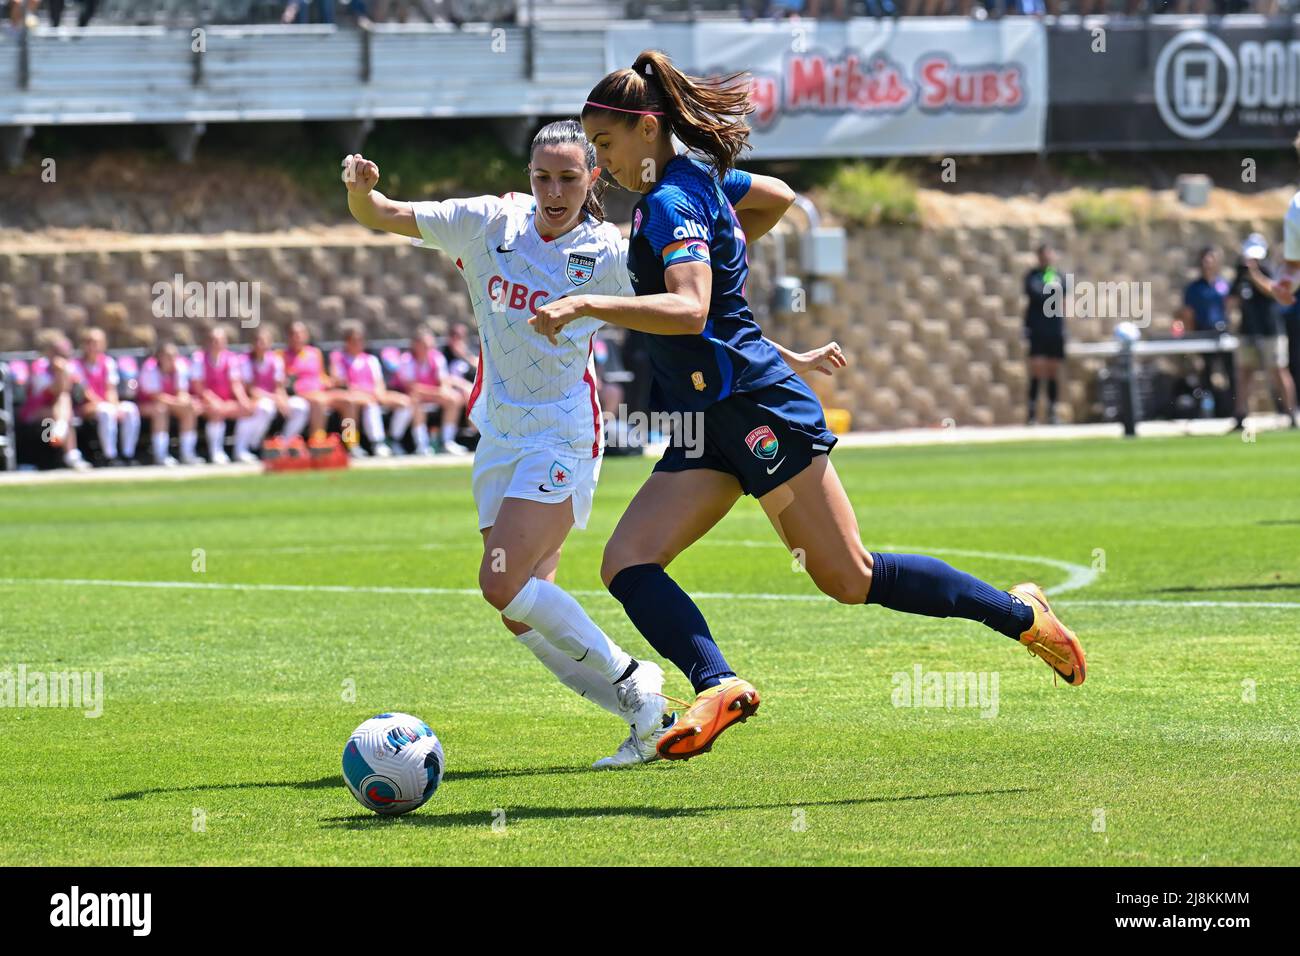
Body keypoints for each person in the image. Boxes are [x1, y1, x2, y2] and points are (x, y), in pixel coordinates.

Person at [529, 50, 1087, 764]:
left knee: (850, 578)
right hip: (711, 422)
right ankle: (718, 683)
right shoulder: (698, 178)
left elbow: (693, 309)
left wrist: (588, 303)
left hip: (756, 411)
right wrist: (731, 272)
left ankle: (1022, 616)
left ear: (645, 128)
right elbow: (779, 196)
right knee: (628, 561)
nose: (599, 164)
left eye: (604, 145)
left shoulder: (669, 199)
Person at [341, 121, 672, 767]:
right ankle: (648, 724)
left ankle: (637, 682)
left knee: (500, 582)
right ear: (528, 177)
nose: (554, 191)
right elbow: (378, 213)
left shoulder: (609, 251)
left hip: (563, 431)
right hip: (499, 433)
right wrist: (361, 188)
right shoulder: (488, 223)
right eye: (543, 176)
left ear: (593, 178)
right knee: (520, 612)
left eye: (569, 177)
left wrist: (776, 355)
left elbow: (687, 313)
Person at [1234, 235, 1298, 430]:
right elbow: (1232, 299)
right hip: (1248, 330)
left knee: (1278, 371)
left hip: (1271, 329)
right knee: (1245, 372)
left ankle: (1290, 413)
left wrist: (1254, 273)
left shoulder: (1269, 270)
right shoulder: (1239, 274)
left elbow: (1272, 290)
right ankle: (1240, 415)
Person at [329, 321, 412, 458]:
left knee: (406, 402)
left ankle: (394, 439)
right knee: (369, 405)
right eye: (354, 340)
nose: (358, 343)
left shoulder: (371, 360)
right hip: (351, 396)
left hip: (372, 394)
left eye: (360, 340)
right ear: (347, 342)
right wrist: (365, 394)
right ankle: (357, 444)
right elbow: (339, 381)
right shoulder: (338, 358)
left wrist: (379, 393)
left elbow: (379, 383)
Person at [17, 330, 90, 471]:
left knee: (64, 400)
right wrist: (61, 375)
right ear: (50, 352)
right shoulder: (40, 367)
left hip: (57, 413)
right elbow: (51, 392)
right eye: (59, 353)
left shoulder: (71, 367)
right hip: (35, 410)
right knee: (62, 404)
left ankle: (60, 432)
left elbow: (79, 391)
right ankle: (71, 453)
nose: (63, 357)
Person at [393, 326, 469, 456]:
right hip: (410, 397)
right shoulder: (407, 360)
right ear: (416, 345)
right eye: (424, 345)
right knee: (415, 401)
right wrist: (438, 392)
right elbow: (412, 388)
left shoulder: (436, 357)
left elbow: (444, 382)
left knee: (454, 398)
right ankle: (421, 444)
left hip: (430, 394)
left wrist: (443, 391)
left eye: (430, 345)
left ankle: (447, 441)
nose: (428, 348)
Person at [191, 325, 260, 464]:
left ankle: (241, 450)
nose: (216, 344)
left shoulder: (231, 359)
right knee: (216, 411)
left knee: (246, 409)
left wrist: (243, 400)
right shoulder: (198, 358)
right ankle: (216, 451)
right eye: (213, 340)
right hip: (204, 402)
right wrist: (213, 400)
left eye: (220, 340)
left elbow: (236, 383)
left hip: (225, 402)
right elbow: (198, 386)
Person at [74, 327, 141, 466]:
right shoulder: (76, 365)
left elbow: (111, 389)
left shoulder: (108, 362)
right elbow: (85, 393)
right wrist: (108, 406)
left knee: (130, 409)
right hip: (85, 407)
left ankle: (128, 454)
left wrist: (116, 405)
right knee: (106, 411)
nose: (94, 346)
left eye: (97, 342)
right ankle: (110, 456)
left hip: (105, 404)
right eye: (90, 342)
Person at [242, 325, 312, 450]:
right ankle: (254, 445)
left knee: (301, 407)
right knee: (265, 408)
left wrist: (283, 400)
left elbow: (279, 386)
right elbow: (250, 389)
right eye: (258, 341)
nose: (260, 344)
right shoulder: (245, 360)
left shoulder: (275, 359)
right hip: (257, 400)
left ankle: (284, 444)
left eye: (264, 341)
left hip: (274, 398)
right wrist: (274, 398)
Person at [137, 342, 200, 466]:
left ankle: (187, 454)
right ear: (159, 356)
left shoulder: (180, 367)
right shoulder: (150, 368)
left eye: (173, 355)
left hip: (169, 404)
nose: (172, 359)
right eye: (168, 356)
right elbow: (156, 397)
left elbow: (182, 392)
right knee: (161, 410)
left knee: (189, 409)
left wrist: (186, 402)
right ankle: (161, 455)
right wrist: (178, 403)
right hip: (147, 405)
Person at [1023, 243, 1065, 425]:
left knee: (1052, 370)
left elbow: (1061, 292)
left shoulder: (1058, 276)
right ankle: (1032, 413)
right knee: (1037, 369)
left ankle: (1052, 412)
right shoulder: (1032, 276)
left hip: (1054, 328)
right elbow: (1037, 295)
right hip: (1037, 329)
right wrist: (1049, 289)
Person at [282, 321, 336, 439]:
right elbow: (283, 382)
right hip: (301, 393)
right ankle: (317, 441)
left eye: (301, 333)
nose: (298, 337)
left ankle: (351, 441)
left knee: (349, 401)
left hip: (320, 392)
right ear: (288, 337)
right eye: (294, 334)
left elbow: (321, 376)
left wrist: (331, 381)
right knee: (319, 401)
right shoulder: (282, 355)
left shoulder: (315, 352)